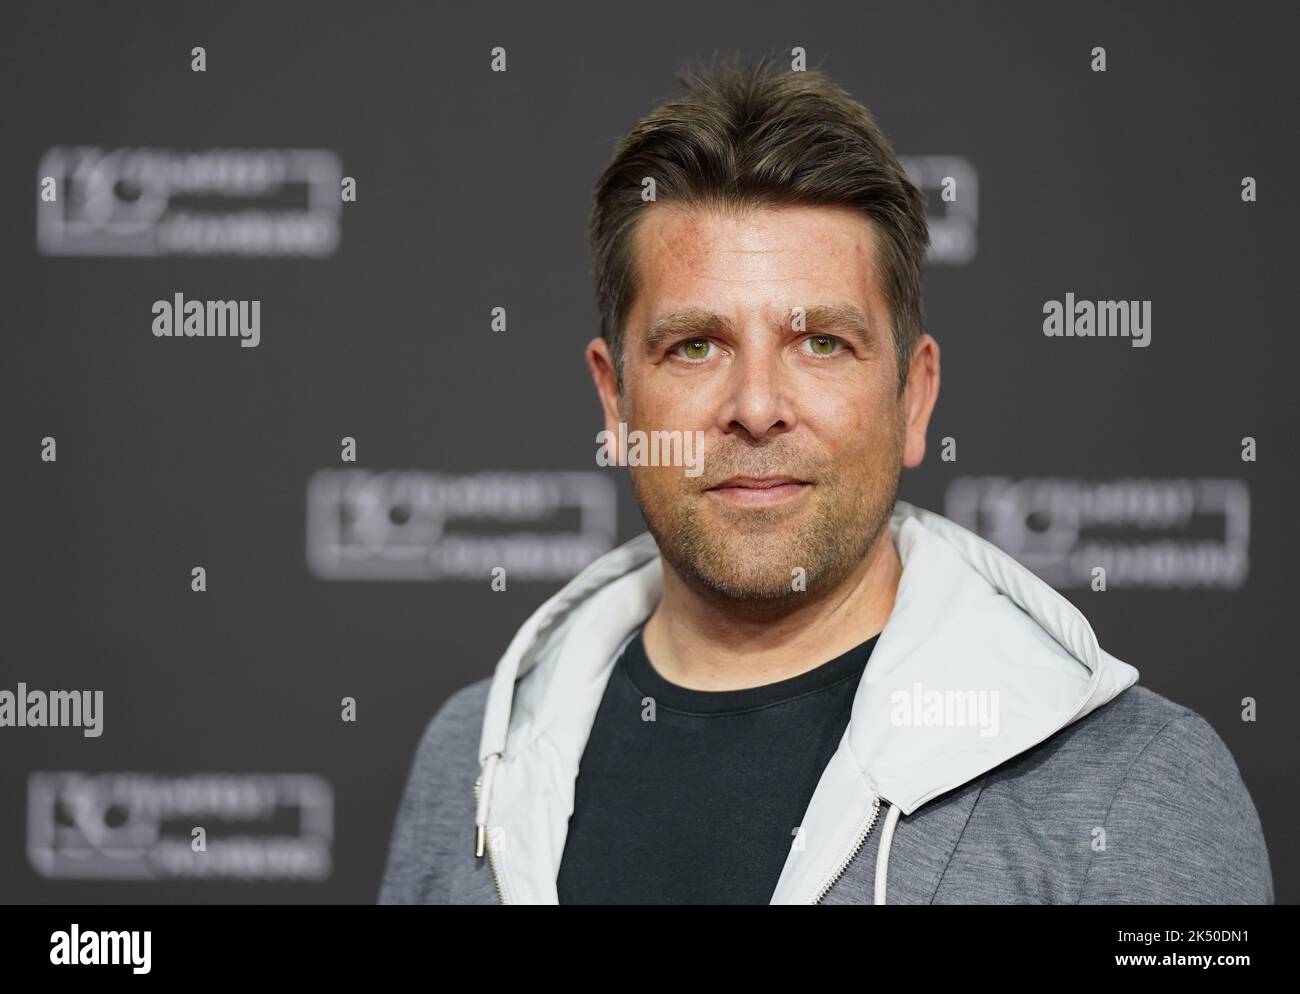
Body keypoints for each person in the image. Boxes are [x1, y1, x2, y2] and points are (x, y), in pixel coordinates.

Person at [379, 54, 1272, 904]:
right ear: (615, 404)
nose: (757, 407)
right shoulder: (474, 759)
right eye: (696, 345)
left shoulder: (1135, 785)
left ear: (913, 398)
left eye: (821, 344)